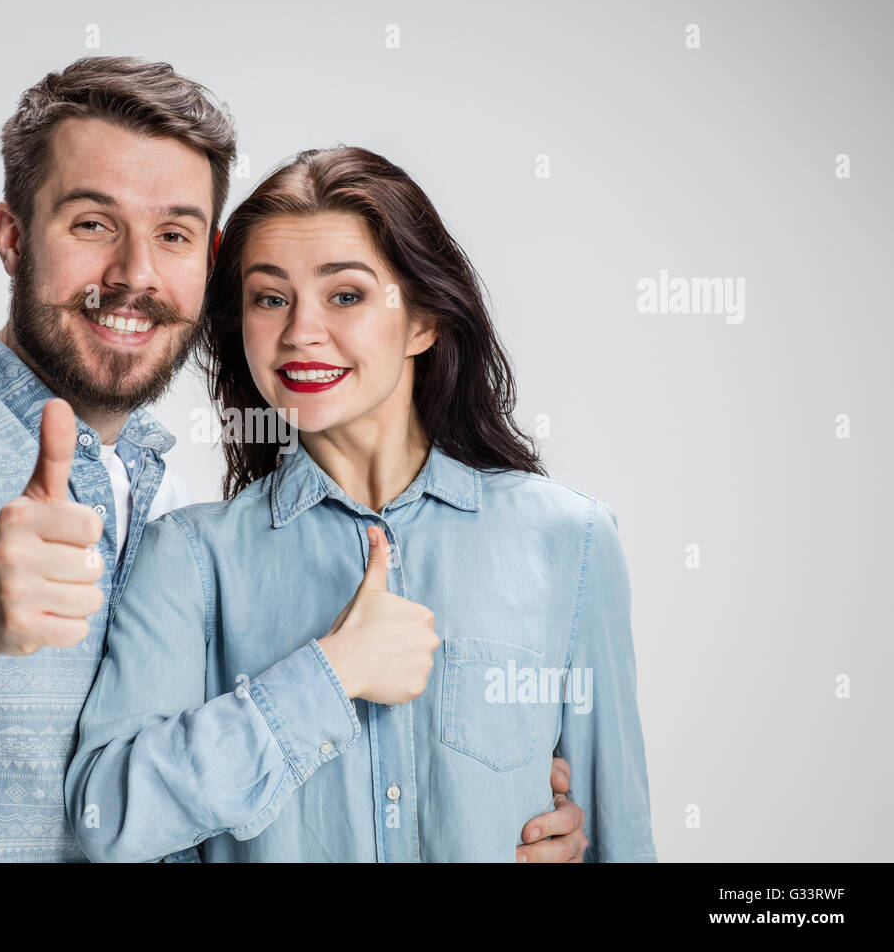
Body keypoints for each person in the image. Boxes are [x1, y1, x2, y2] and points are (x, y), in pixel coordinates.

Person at [0, 56, 586, 862]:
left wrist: (501, 808)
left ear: (209, 260)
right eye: (92, 224)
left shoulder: (177, 514)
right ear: (11, 235)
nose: (133, 275)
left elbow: (222, 791)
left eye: (173, 235)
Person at [65, 146, 655, 861]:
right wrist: (330, 675)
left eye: (345, 295)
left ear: (423, 322)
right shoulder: (191, 558)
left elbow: (617, 834)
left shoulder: (570, 541)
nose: (300, 331)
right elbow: (104, 816)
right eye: (270, 298)